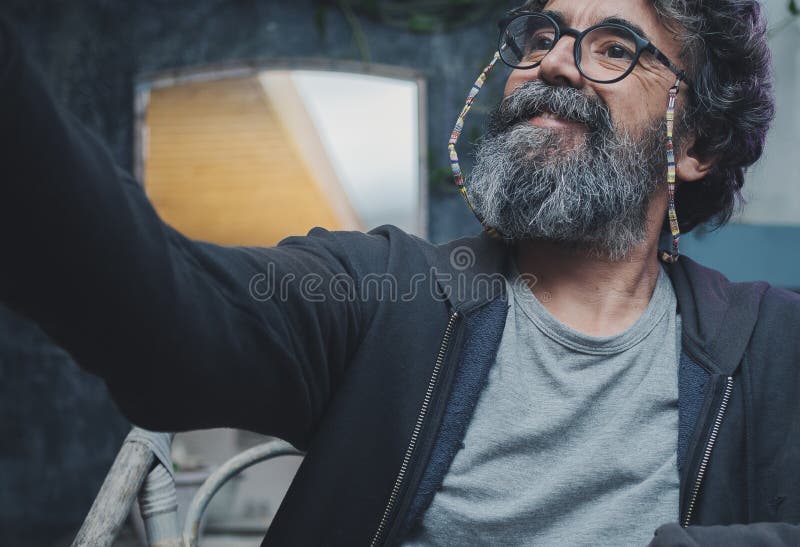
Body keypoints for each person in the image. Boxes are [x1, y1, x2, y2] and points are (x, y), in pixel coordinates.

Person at [0, 0, 797, 545]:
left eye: (615, 47)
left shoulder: (773, 348)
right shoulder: (385, 292)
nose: (551, 62)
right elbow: (164, 313)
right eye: (542, 35)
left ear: (696, 145)